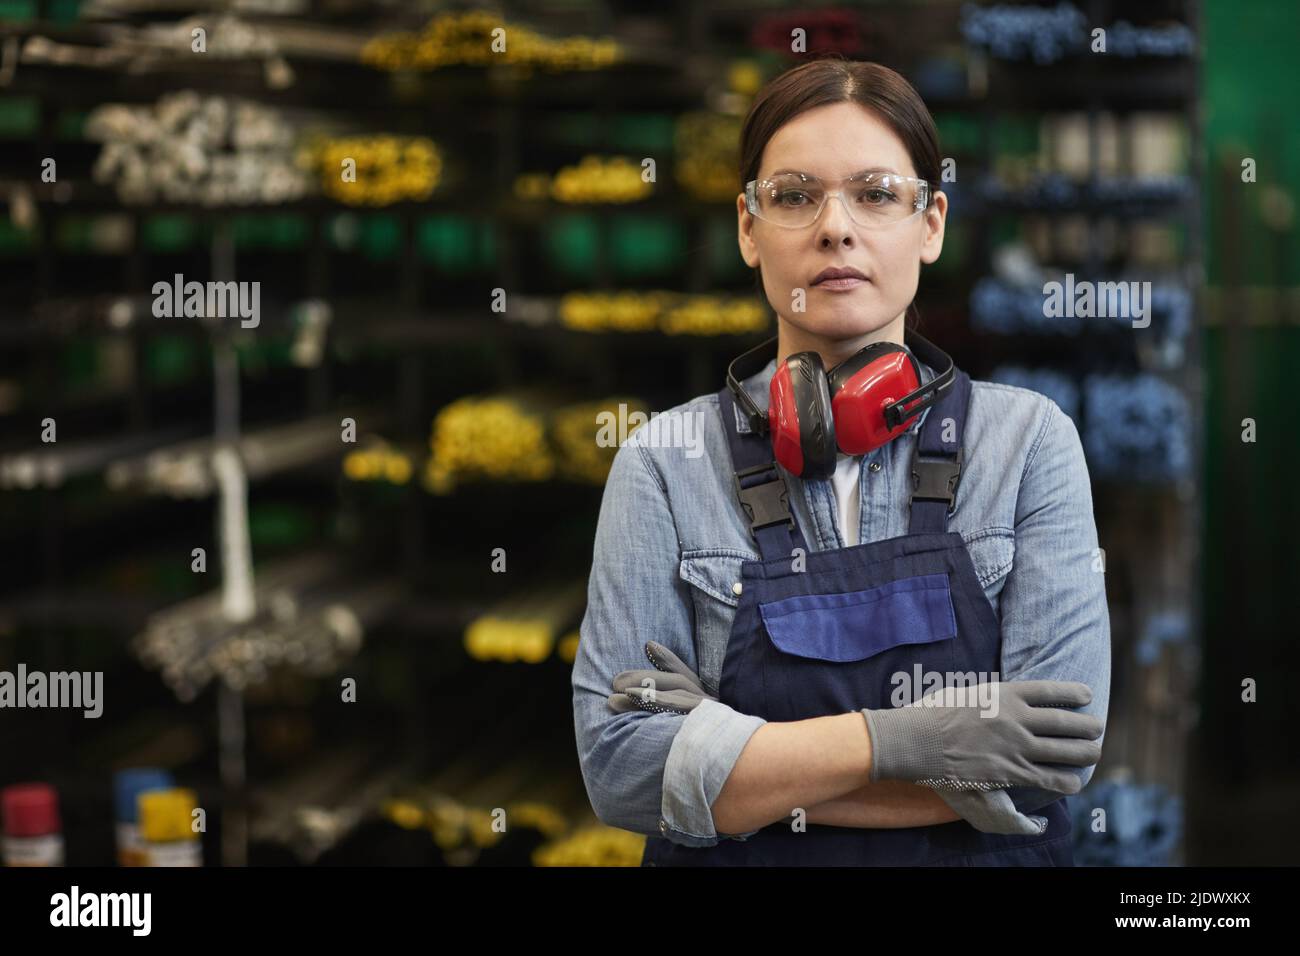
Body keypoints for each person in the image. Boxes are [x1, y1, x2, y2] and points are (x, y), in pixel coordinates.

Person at [571, 56, 1110, 866]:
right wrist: (903, 741)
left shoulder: (1029, 443)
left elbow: (1047, 766)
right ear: (749, 228)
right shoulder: (663, 463)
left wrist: (727, 767)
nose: (835, 226)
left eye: (875, 192)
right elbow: (623, 771)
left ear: (930, 224)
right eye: (794, 196)